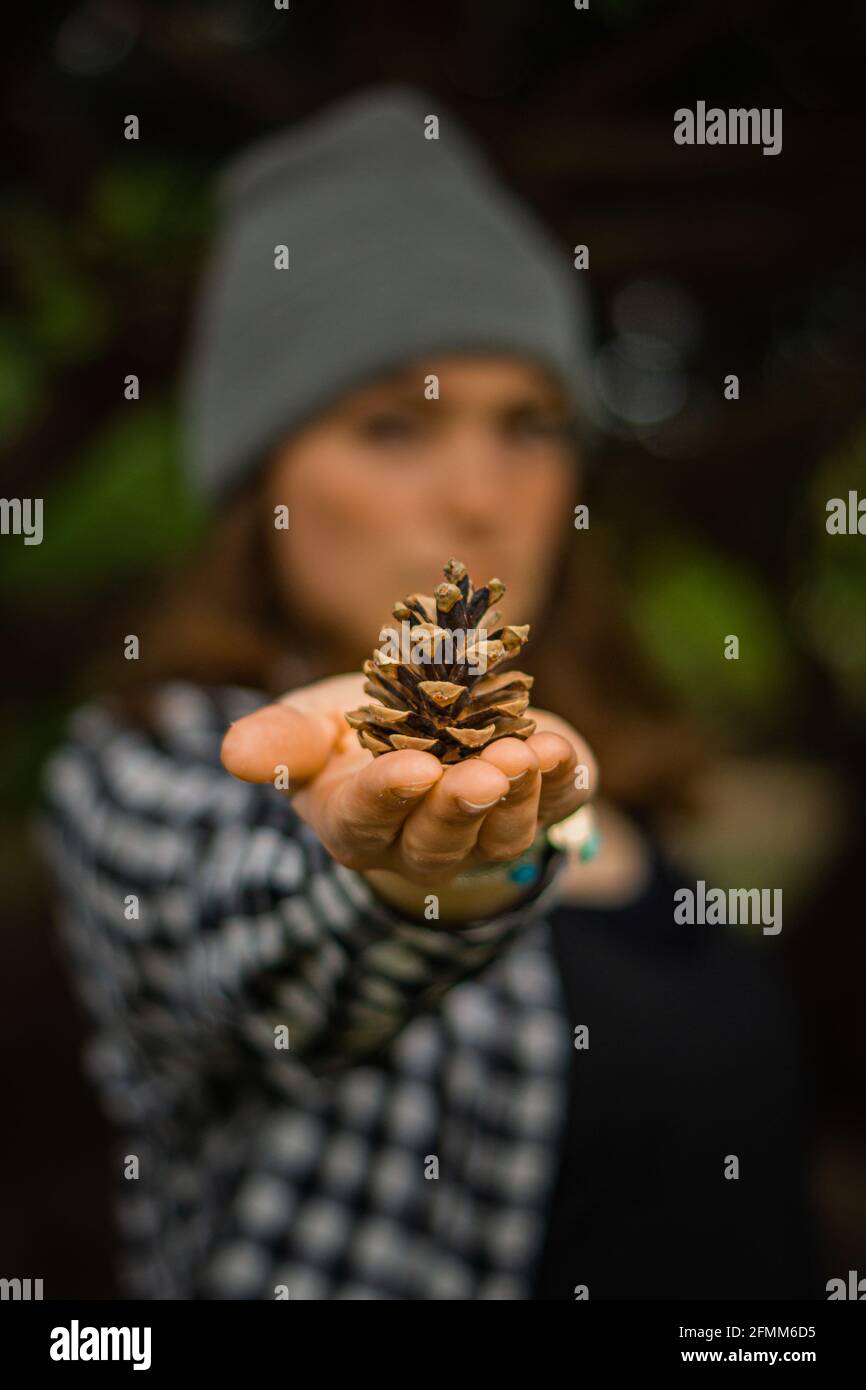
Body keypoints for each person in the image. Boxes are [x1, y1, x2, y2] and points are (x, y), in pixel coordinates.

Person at [36, 84, 823, 1300]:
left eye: (528, 423)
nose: (477, 492)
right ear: (264, 485)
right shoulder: (143, 776)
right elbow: (261, 938)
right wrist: (417, 883)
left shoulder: (612, 780)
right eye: (394, 426)